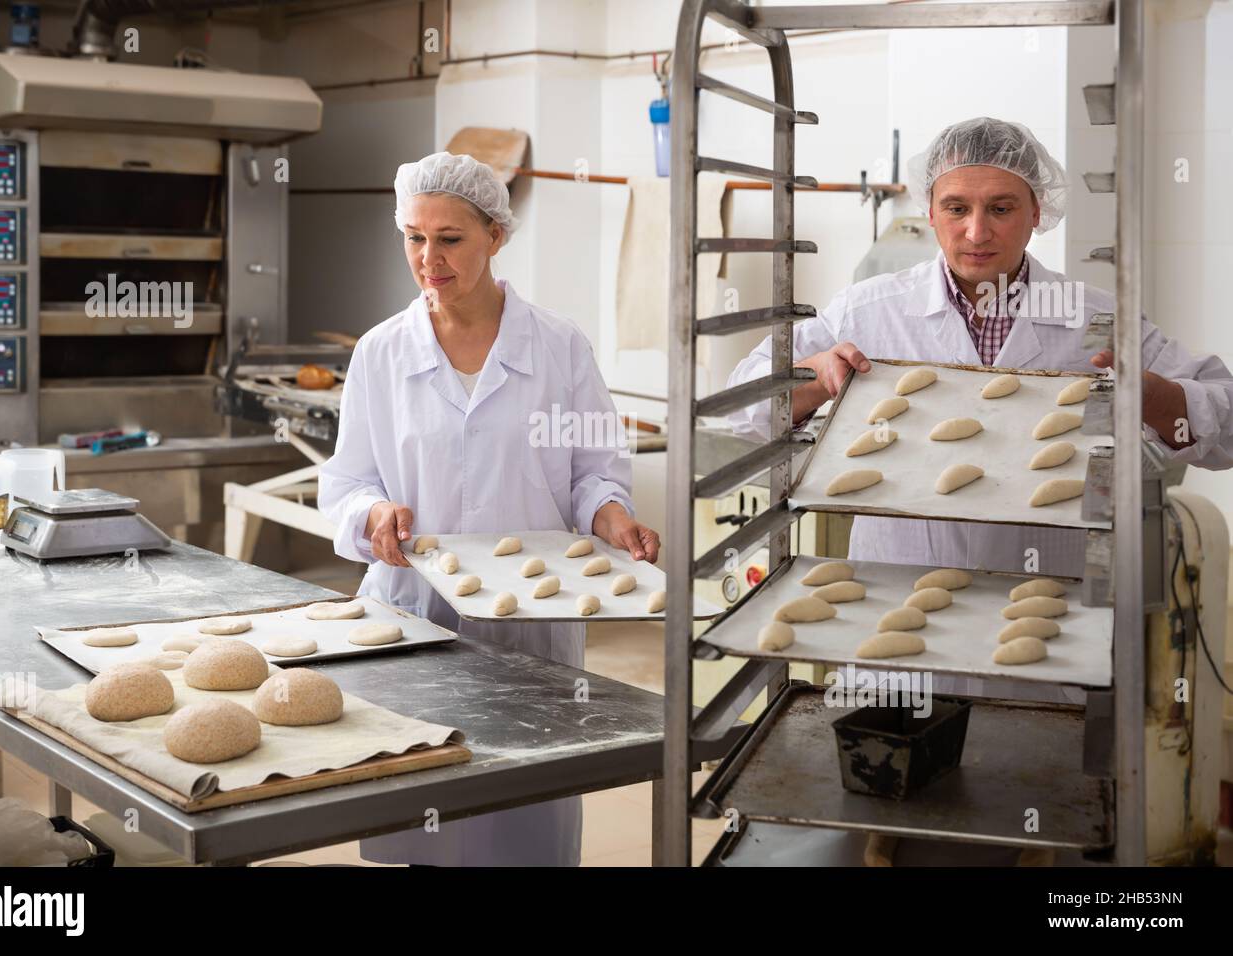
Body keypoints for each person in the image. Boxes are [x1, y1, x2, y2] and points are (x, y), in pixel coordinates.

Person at [318, 151, 660, 866]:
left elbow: (595, 474)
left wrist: (612, 518)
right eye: (414, 236)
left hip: (530, 630)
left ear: (496, 236)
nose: (428, 258)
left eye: (450, 239)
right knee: (419, 824)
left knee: (520, 828)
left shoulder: (560, 347)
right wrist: (373, 514)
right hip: (411, 623)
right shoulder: (381, 353)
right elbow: (345, 483)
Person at [728, 117, 1233, 581]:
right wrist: (816, 378)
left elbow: (1228, 430)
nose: (976, 231)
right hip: (898, 589)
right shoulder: (870, 310)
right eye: (956, 208)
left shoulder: (1095, 318)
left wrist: (1154, 397)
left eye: (1001, 208)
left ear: (1036, 210)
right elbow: (743, 415)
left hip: (1052, 605)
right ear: (929, 211)